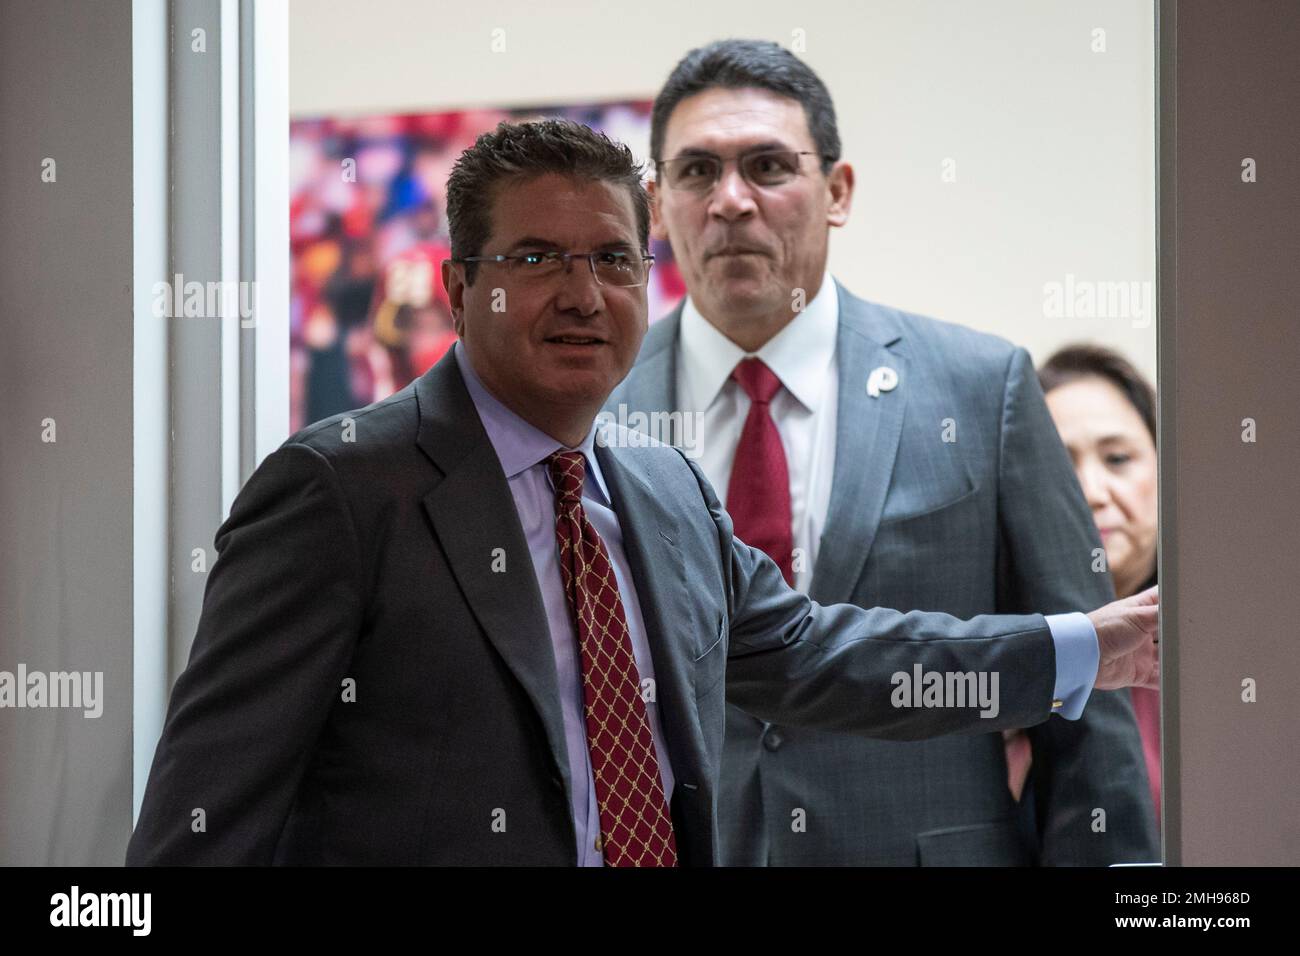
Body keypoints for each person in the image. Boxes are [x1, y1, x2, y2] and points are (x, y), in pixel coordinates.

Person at [127, 119, 1158, 867]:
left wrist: (1081, 646)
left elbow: (822, 656)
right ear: (456, 288)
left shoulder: (660, 487)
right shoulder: (340, 488)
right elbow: (203, 826)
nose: (583, 293)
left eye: (614, 260)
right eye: (535, 257)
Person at [607, 39, 1157, 865]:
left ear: (837, 191)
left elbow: (1087, 705)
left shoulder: (982, 389)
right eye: (695, 172)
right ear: (657, 203)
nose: (730, 201)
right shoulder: (600, 416)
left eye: (766, 165)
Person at [1039, 343, 1161, 822]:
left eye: (1116, 459)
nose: (1091, 492)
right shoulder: (990, 655)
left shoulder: (1227, 646)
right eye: (1060, 463)